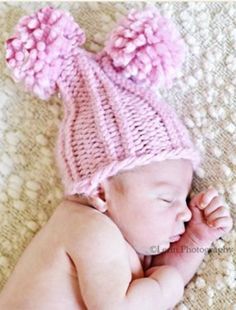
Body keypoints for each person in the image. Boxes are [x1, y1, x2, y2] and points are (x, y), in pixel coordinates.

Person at [1, 5, 233, 310]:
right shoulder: (88, 228)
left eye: (183, 198)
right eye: (166, 199)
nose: (186, 212)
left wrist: (196, 239)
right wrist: (170, 282)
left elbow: (152, 280)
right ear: (100, 191)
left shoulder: (121, 241)